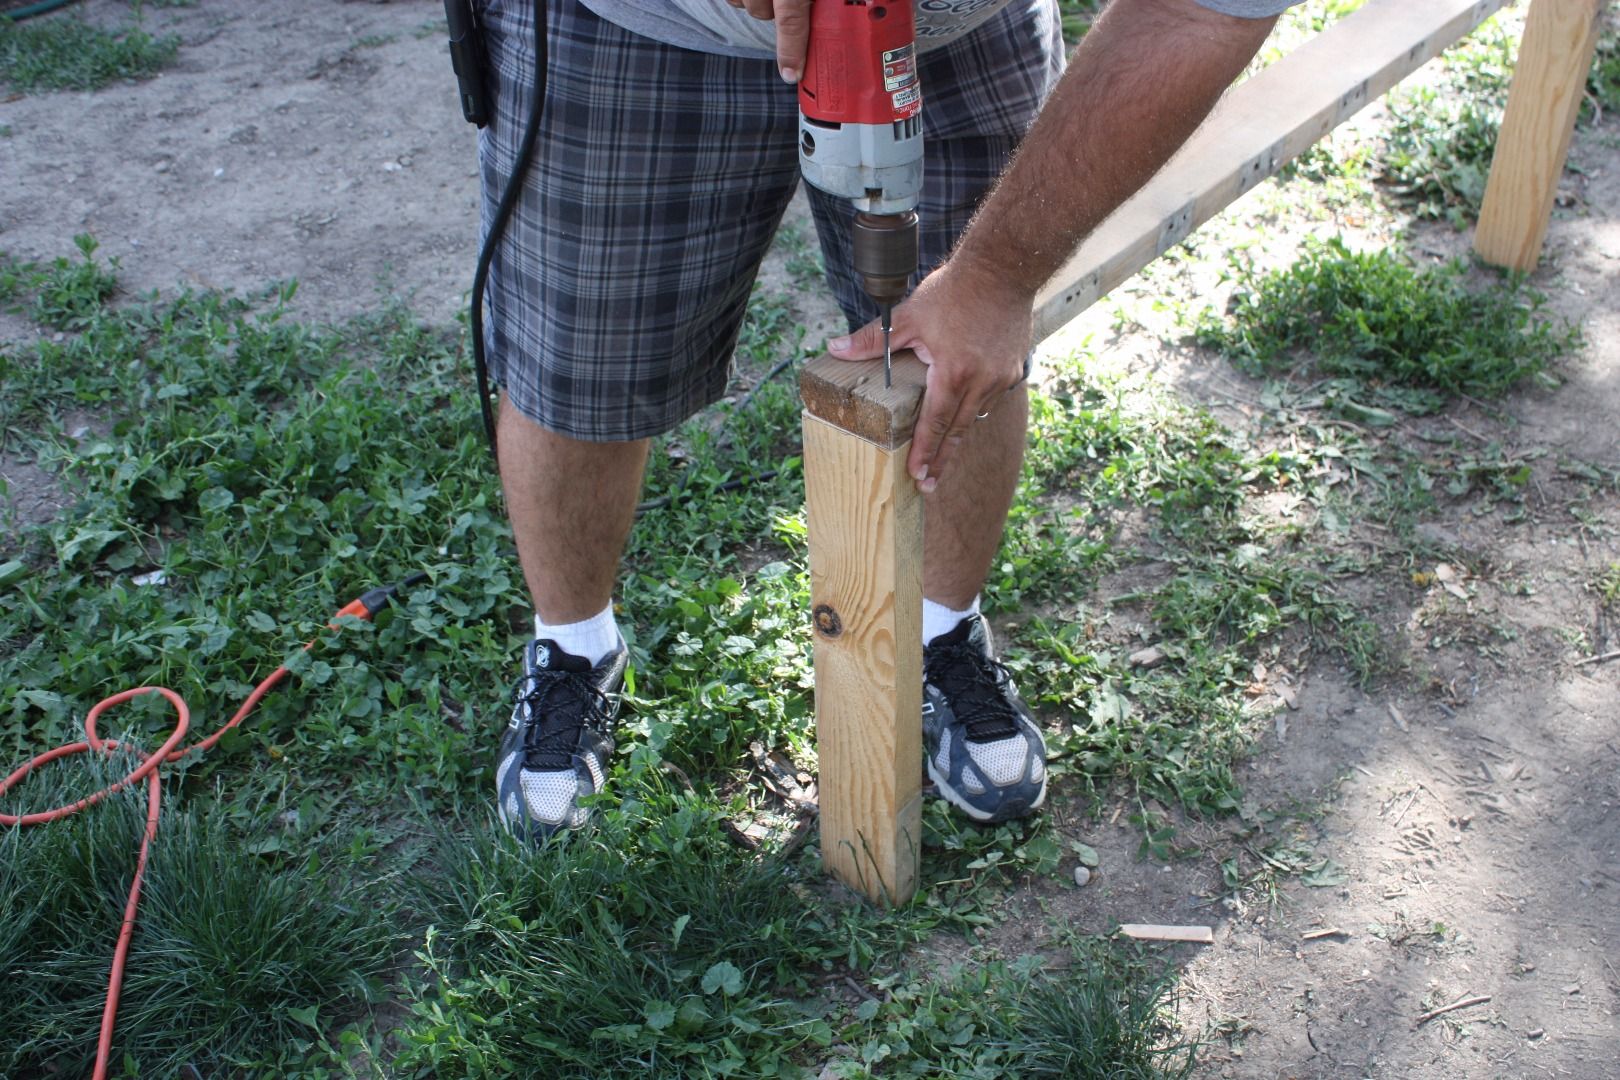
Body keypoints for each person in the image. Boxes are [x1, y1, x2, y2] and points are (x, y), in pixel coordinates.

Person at [481, 0, 1295, 839]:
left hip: (959, 26)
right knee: (578, 365)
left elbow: (1205, 13)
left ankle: (940, 633)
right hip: (636, 24)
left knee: (965, 370)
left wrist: (996, 276)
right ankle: (575, 650)